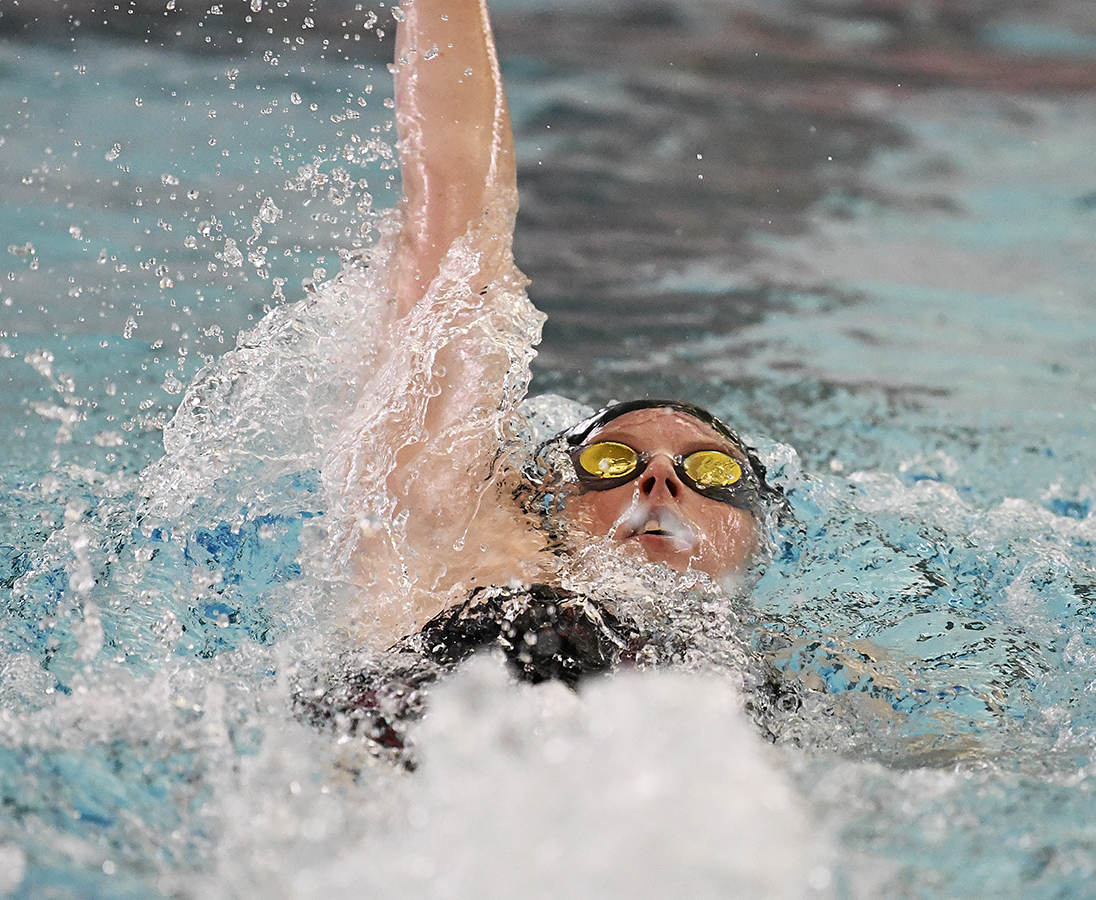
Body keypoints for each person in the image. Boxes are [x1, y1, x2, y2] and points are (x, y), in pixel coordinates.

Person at [303, 0, 781, 741]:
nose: (660, 482)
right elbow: (457, 222)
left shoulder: (789, 681)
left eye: (713, 472)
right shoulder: (459, 537)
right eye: (612, 461)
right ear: (544, 498)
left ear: (757, 535)